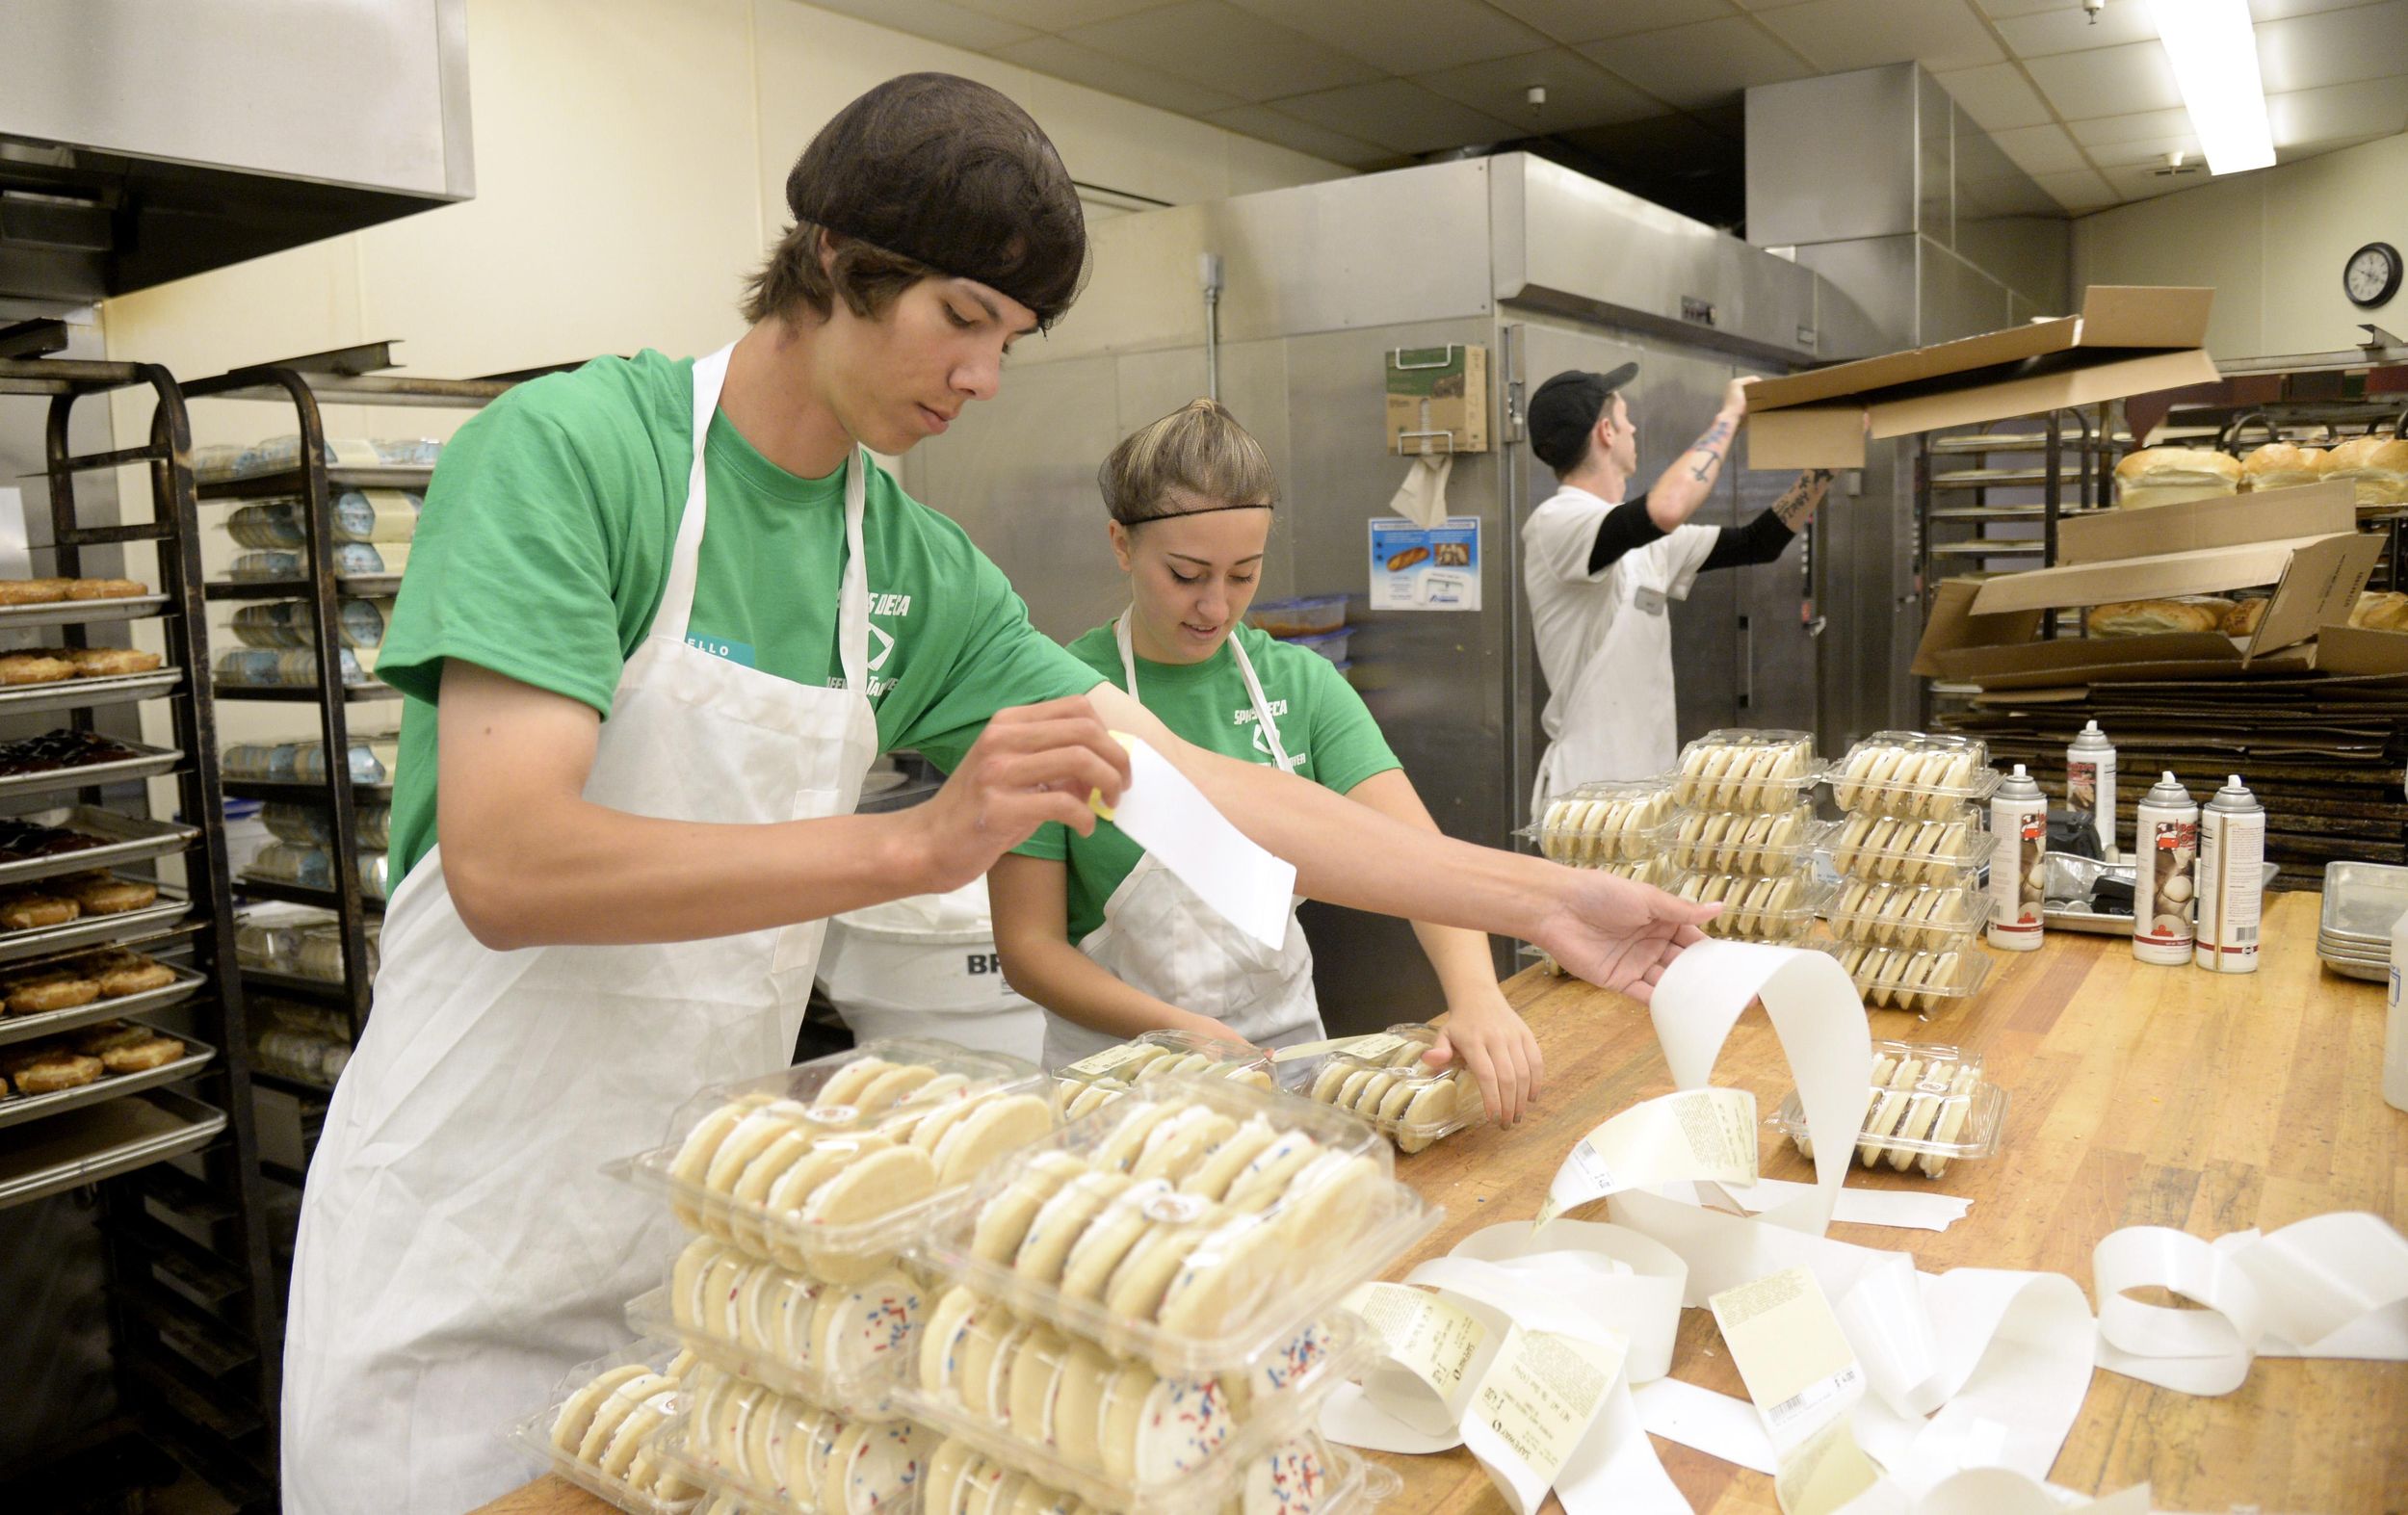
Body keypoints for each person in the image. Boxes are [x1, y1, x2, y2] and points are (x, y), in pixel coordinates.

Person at [279, 74, 1713, 1515]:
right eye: (964, 319)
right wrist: (912, 840)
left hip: (728, 1241)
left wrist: (1548, 898)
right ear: (836, 263)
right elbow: (513, 866)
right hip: (460, 1256)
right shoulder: (574, 456)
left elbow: (1205, 788)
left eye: (1011, 342)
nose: (982, 378)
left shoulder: (908, 561)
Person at [988, 400, 1544, 1121]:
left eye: (1243, 575)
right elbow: (1028, 947)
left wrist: (1477, 995)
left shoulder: (1300, 686)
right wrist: (1186, 1034)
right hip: (1115, 1080)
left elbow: (1421, 862)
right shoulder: (1057, 698)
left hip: (1286, 1064)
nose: (1215, 607)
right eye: (1187, 575)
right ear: (1122, 544)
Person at [1523, 365, 1835, 804]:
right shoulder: (1557, 523)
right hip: (1588, 799)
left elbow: (1757, 543)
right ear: (1607, 431)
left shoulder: (1645, 544)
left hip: (1649, 792)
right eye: (1626, 418)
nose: (1634, 428)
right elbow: (1667, 508)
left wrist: (1824, 468)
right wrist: (1729, 418)